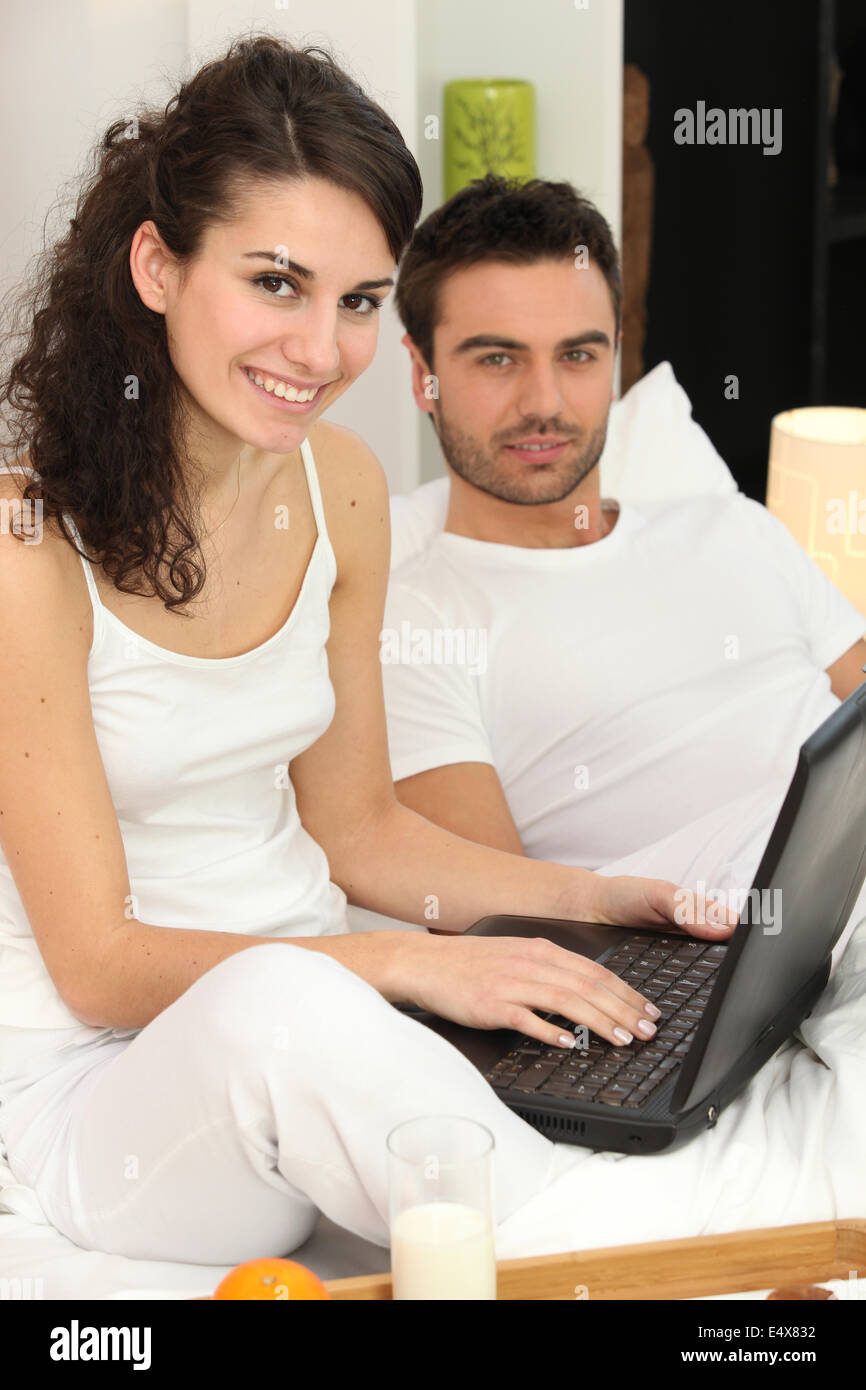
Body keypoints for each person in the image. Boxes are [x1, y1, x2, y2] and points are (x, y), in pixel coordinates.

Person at [0, 36, 733, 1265]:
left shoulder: (336, 485)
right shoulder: (27, 543)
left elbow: (358, 829)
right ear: (157, 267)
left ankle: (636, 1222)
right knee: (286, 1006)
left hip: (327, 1032)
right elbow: (99, 963)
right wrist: (401, 968)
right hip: (113, 1096)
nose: (321, 350)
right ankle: (636, 1260)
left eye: (356, 302)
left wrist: (589, 898)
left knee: (696, 906)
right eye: (275, 283)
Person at [379, 174, 866, 910]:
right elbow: (498, 927)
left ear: (615, 357)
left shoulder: (732, 526)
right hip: (741, 941)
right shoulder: (413, 623)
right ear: (424, 376)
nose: (542, 403)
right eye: (497, 359)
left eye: (577, 355)